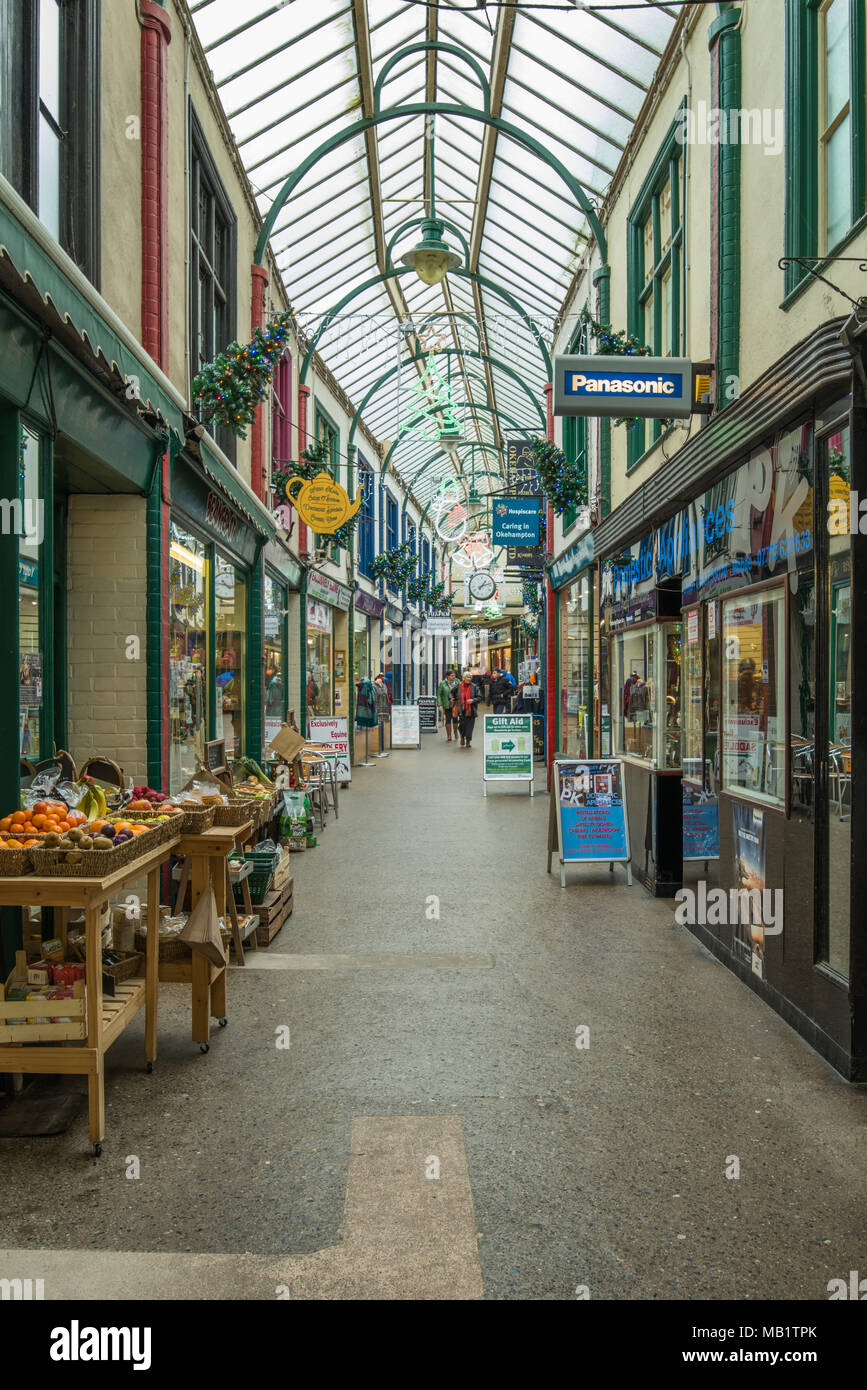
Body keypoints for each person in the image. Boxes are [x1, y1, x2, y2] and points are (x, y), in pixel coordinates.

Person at [451, 669, 481, 749]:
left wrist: (473, 700)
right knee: (461, 726)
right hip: (461, 710)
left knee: (470, 727)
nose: (469, 679)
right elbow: (451, 693)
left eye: (470, 677)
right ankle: (462, 737)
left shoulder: (474, 687)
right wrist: (451, 698)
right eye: (467, 677)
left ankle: (468, 741)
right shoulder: (458, 685)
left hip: (471, 710)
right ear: (463, 678)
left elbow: (479, 697)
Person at [437, 667, 456, 741]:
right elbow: (439, 694)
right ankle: (449, 735)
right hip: (447, 704)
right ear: (447, 676)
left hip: (456, 704)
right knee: (448, 719)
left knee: (455, 719)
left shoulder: (457, 682)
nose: (453, 677)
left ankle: (455, 733)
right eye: (452, 675)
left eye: (454, 675)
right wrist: (439, 705)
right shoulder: (442, 683)